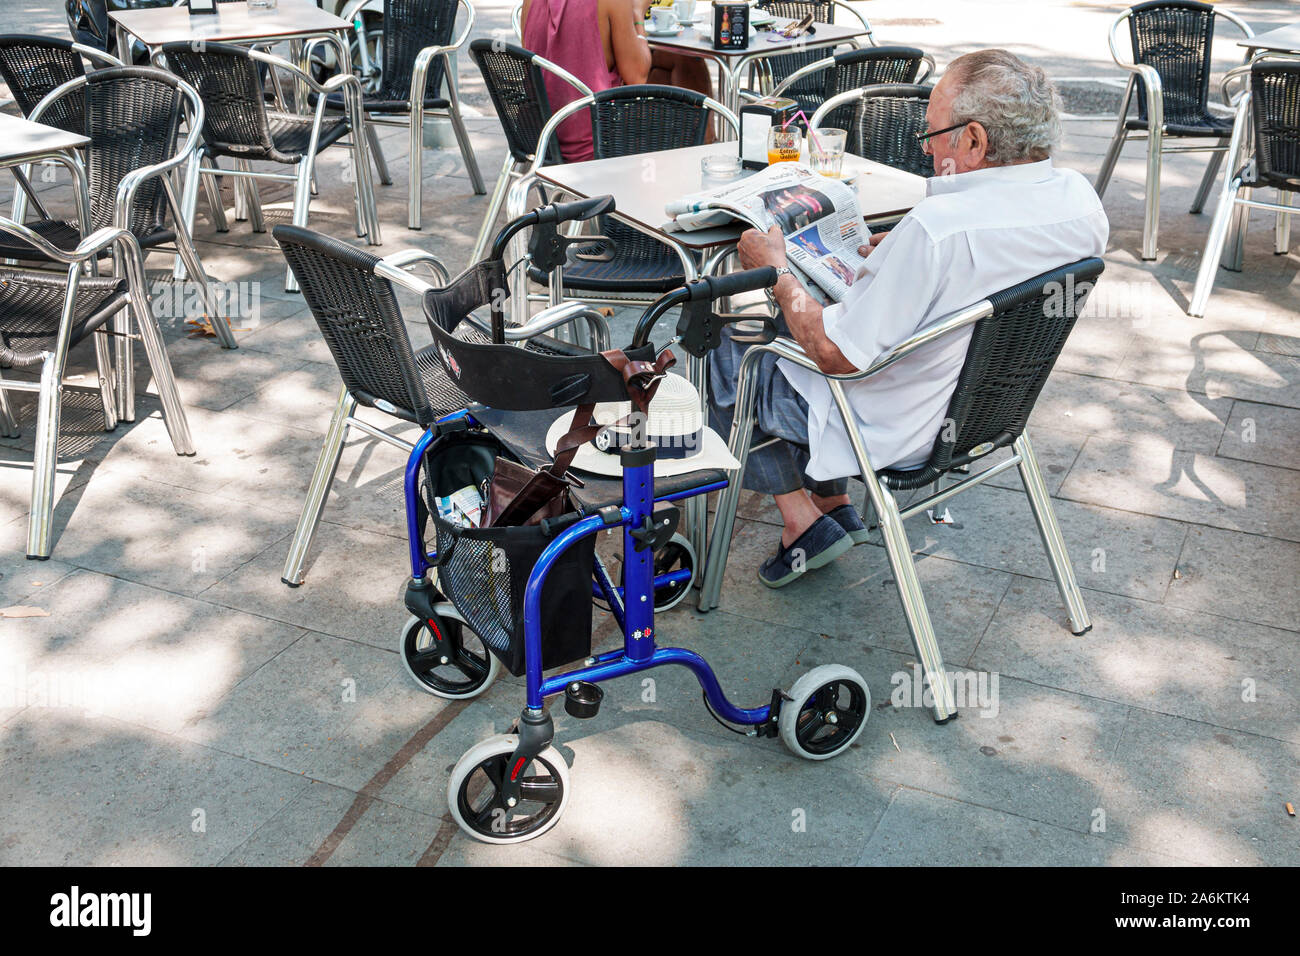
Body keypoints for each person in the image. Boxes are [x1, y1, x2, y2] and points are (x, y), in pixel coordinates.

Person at [709, 49, 1109, 588]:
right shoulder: (1080, 202)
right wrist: (903, 255)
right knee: (795, 323)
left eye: (932, 134)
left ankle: (799, 520)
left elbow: (837, 356)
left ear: (974, 141)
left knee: (730, 348)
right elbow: (993, 257)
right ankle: (833, 500)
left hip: (892, 425)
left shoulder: (940, 229)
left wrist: (777, 273)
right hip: (986, 413)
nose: (928, 148)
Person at [522, 0, 713, 162]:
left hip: (542, 136)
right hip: (599, 141)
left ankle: (703, 151)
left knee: (677, 65)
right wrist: (637, 13)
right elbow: (638, 76)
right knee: (685, 89)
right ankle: (704, 159)